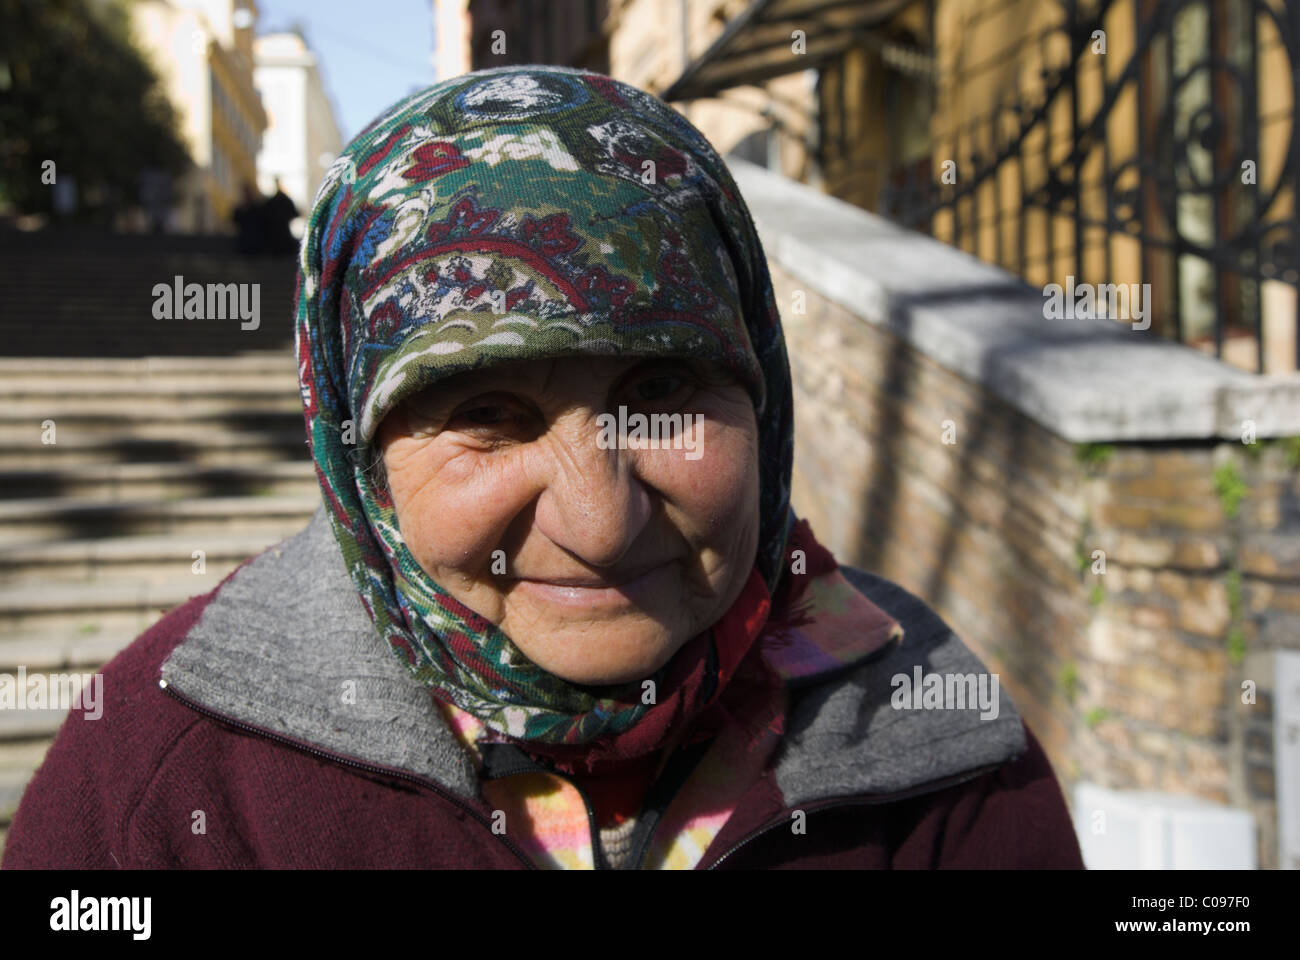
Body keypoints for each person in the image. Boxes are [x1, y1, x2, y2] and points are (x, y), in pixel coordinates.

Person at [1, 66, 1084, 869]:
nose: (599, 523)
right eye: (487, 415)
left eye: (660, 395)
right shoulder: (166, 776)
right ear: (358, 455)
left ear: (761, 391)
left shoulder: (936, 740)